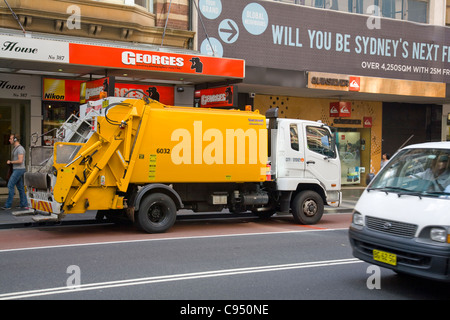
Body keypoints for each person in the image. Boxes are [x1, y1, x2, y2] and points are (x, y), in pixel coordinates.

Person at [1, 134, 28, 210]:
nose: (9, 140)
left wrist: (11, 162)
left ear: (15, 139)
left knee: (10, 185)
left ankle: (8, 205)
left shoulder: (20, 149)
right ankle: (24, 204)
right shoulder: (15, 148)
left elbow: (20, 160)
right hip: (17, 169)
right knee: (20, 187)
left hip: (19, 169)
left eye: (10, 138)